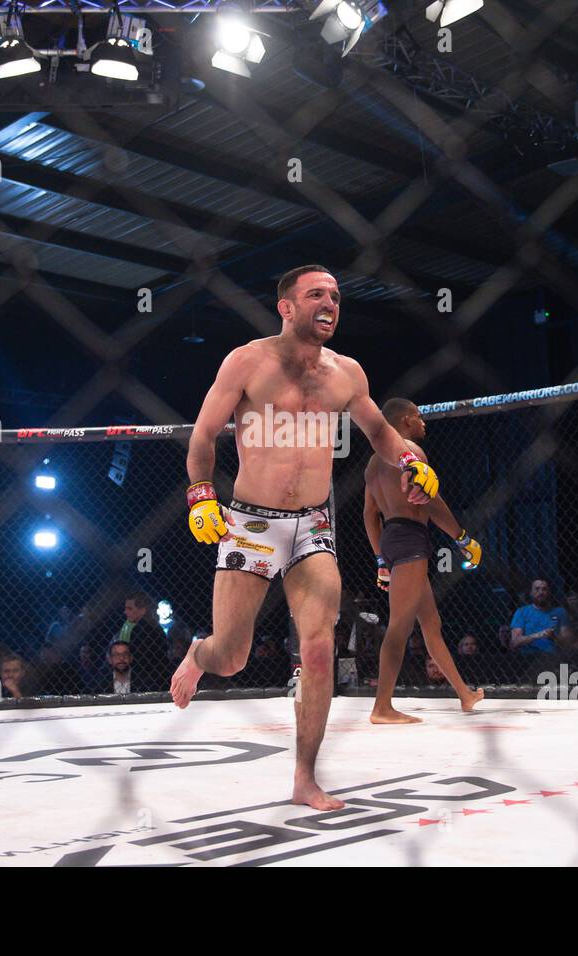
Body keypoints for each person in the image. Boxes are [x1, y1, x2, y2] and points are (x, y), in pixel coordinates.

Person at [170, 265, 441, 811]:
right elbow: (202, 435)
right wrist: (201, 493)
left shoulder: (347, 373)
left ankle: (304, 777)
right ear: (286, 307)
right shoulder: (247, 361)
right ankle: (199, 654)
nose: (330, 303)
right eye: (316, 294)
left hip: (313, 524)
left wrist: (412, 461)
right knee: (233, 657)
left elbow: (380, 433)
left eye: (337, 297)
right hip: (251, 521)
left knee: (318, 649)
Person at [362, 397, 484, 722]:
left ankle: (465, 694)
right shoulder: (412, 454)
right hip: (410, 538)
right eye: (418, 416)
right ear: (405, 420)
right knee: (400, 625)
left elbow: (368, 515)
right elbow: (430, 501)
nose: (423, 422)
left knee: (431, 625)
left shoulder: (373, 463)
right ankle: (382, 707)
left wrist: (380, 559)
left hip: (392, 539)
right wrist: (461, 537)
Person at [509, 580, 568, 652]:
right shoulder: (521, 612)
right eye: (537, 589)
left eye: (544, 589)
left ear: (549, 592)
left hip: (555, 658)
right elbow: (514, 643)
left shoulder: (560, 612)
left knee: (565, 663)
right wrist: (538, 635)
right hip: (529, 659)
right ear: (531, 592)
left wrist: (554, 637)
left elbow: (568, 643)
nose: (541, 592)